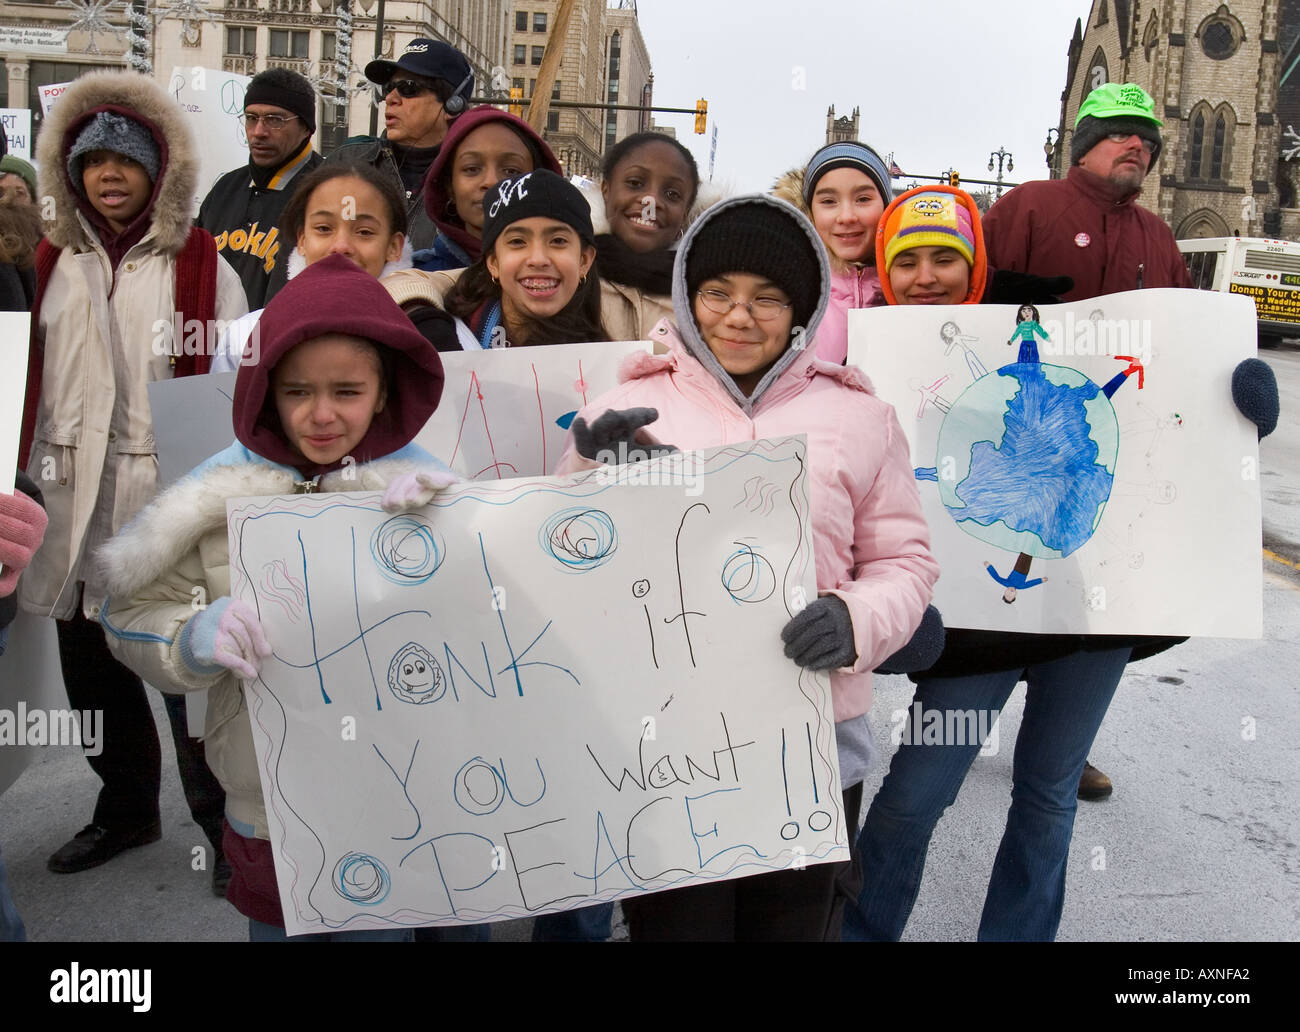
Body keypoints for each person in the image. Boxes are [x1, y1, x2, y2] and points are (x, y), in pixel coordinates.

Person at [841, 181, 1278, 943]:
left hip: (1087, 617)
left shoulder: (1056, 330)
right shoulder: (868, 355)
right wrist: (888, 604)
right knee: (915, 795)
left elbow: (1164, 426)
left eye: (947, 257)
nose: (927, 277)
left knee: (1048, 796)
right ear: (884, 268)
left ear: (976, 266)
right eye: (908, 260)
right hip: (971, 632)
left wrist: (1233, 408)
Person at [556, 194, 939, 941]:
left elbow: (905, 560)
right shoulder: (631, 404)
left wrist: (856, 618)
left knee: (789, 929)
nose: (739, 316)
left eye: (767, 299)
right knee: (678, 931)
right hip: (667, 749)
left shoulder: (859, 417)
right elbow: (563, 562)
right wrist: (585, 472)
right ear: (688, 299)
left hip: (810, 744)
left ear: (801, 311)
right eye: (718, 293)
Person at [98, 255, 455, 940]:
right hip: (269, 801)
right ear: (265, 390)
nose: (321, 415)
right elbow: (128, 613)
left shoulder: (428, 493)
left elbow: (496, 626)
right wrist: (193, 637)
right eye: (296, 392)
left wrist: (449, 541)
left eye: (347, 390)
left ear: (384, 392)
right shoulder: (206, 504)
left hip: (404, 793)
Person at [982, 81, 1279, 800]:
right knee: (1004, 589)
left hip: (1115, 448)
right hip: (1024, 431)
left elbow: (1182, 346)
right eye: (1120, 133)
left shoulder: (1157, 235)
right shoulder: (1027, 206)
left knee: (1091, 602)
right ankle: (964, 724)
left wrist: (1234, 402)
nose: (1137, 145)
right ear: (1085, 144)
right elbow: (963, 305)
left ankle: (1061, 746)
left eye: (1146, 137)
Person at [19, 70, 247, 880]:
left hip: (164, 501)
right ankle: (125, 812)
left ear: (159, 171)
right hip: (69, 500)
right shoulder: (52, 262)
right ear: (71, 175)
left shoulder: (200, 264)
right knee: (92, 680)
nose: (109, 176)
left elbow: (229, 384)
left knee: (188, 678)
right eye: (92, 163)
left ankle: (229, 834)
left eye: (125, 161)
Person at [210, 161, 457, 371]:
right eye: (324, 229)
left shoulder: (435, 333)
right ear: (302, 241)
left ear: (394, 246)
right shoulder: (247, 336)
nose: (341, 246)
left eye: (364, 232)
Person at [329, 38, 475, 251]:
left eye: (408, 88)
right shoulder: (344, 164)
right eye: (389, 88)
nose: (390, 98)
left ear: (452, 104)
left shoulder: (474, 182)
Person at [197, 68, 323, 309]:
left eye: (275, 120)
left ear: (306, 127)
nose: (258, 132)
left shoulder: (327, 192)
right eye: (251, 118)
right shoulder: (225, 189)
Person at [439, 169, 608, 349]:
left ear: (584, 261)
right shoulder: (447, 339)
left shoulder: (610, 364)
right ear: (493, 262)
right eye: (518, 241)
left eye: (558, 241)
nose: (538, 259)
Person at [773, 141, 893, 363]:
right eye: (828, 201)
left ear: (886, 206)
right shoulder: (786, 291)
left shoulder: (910, 288)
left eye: (863, 199)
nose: (846, 216)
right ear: (810, 212)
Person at [589, 131, 707, 340]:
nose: (651, 200)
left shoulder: (708, 295)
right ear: (606, 190)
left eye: (672, 194)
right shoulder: (570, 273)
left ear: (685, 213)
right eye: (635, 183)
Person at [413, 107, 561, 272]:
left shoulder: (565, 279)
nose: (491, 182)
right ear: (450, 186)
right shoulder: (411, 283)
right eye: (472, 169)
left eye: (511, 171)